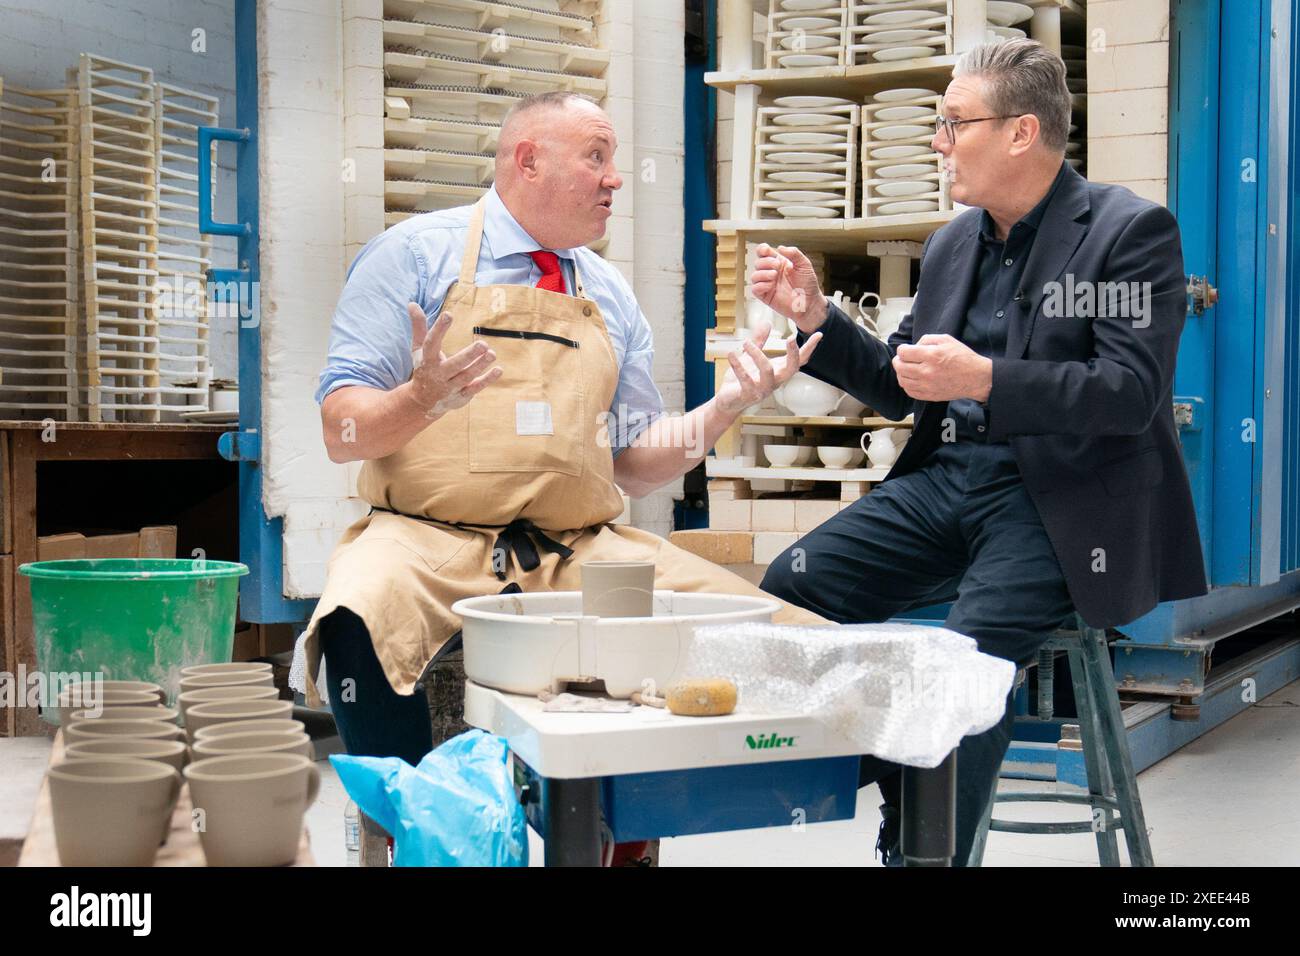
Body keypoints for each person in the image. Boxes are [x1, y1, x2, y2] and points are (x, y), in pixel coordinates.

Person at [300, 91, 826, 862]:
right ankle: (423, 825)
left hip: (577, 547)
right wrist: (418, 399)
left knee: (774, 634)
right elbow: (339, 429)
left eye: (615, 160)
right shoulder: (414, 256)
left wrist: (724, 410)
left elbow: (635, 462)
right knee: (356, 610)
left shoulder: (605, 294)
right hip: (426, 539)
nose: (617, 179)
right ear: (529, 160)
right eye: (597, 157)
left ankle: (622, 834)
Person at [750, 39, 1207, 866]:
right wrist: (819, 319)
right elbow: (904, 385)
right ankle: (894, 789)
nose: (937, 141)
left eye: (953, 123)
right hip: (947, 482)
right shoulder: (957, 241)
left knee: (964, 666)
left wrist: (992, 378)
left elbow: (1128, 393)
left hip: (1059, 502)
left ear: (1021, 133)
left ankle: (926, 854)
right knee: (794, 588)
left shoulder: (1128, 233)